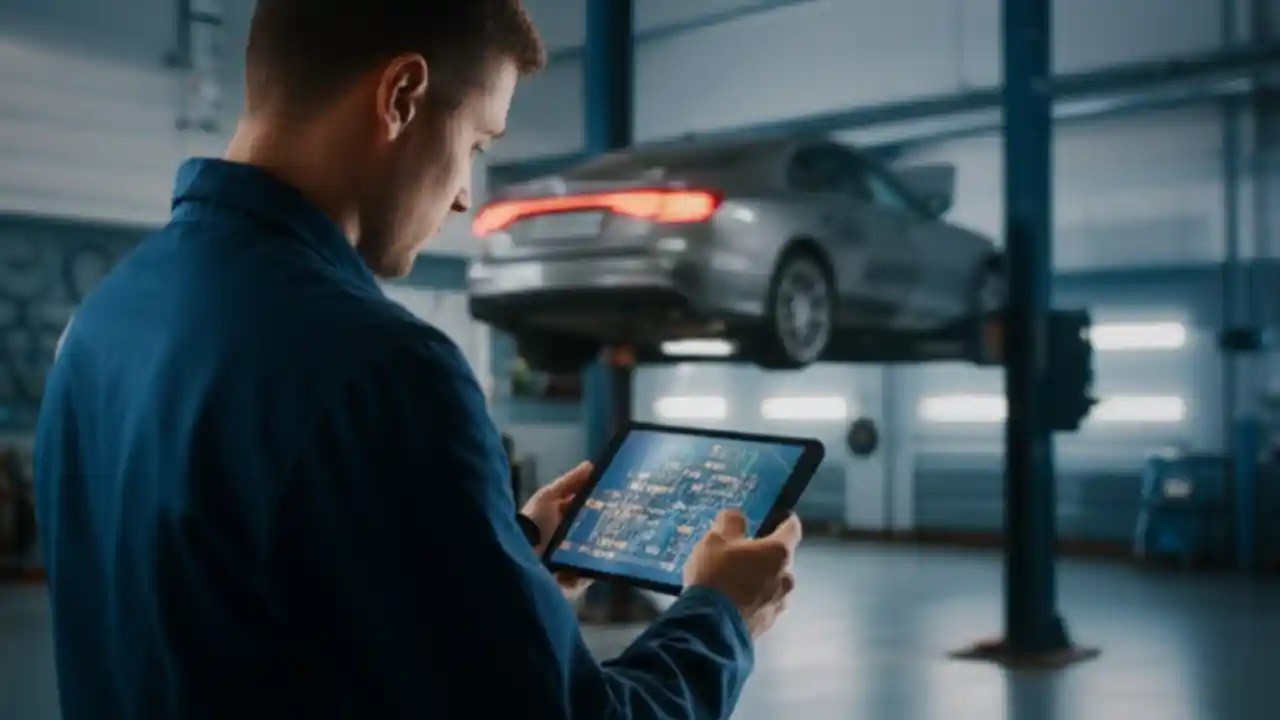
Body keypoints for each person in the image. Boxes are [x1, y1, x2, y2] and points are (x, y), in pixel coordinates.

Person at [34, 1, 803, 718]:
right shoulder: (383, 369)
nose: (466, 196)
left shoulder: (102, 321)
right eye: (476, 141)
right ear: (401, 95)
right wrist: (721, 617)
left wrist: (510, 556)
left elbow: (257, 606)